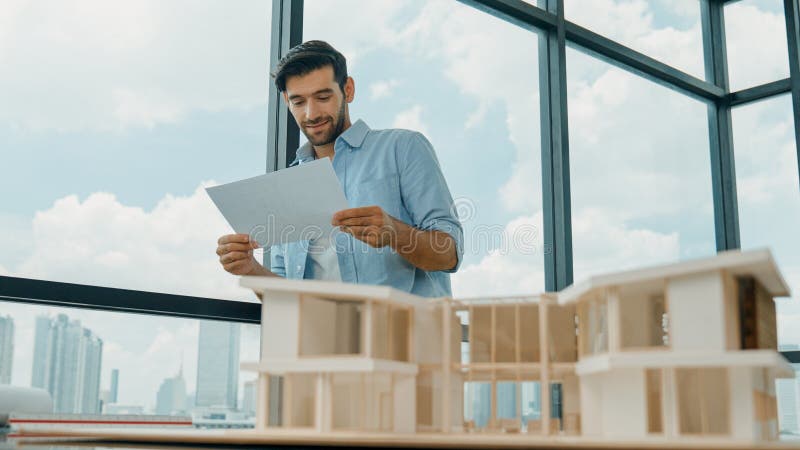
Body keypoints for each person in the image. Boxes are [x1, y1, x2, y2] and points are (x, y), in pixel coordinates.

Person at [216, 40, 463, 297]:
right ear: (286, 101)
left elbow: (449, 254)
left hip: (401, 323)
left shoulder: (403, 148)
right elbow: (284, 298)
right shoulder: (288, 184)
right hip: (319, 324)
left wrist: (395, 233)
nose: (311, 114)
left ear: (348, 89)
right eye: (298, 102)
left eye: (323, 97)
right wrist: (250, 269)